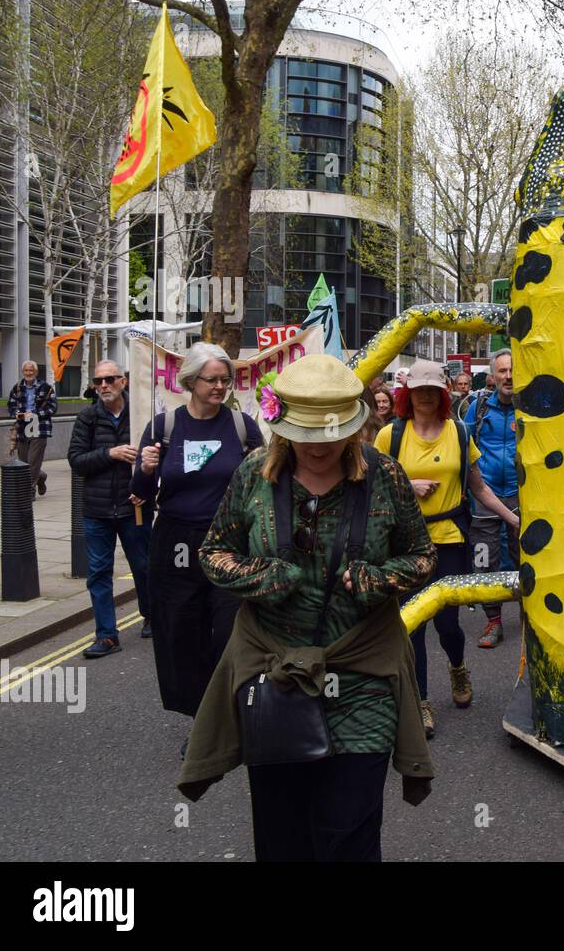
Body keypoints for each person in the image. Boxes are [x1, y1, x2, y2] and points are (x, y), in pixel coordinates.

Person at [184, 354, 437, 862]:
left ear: (355, 425)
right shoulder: (255, 474)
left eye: (331, 433)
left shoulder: (385, 475)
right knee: (282, 833)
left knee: (350, 828)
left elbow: (423, 555)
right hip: (276, 674)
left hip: (364, 678)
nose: (319, 446)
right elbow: (213, 552)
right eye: (306, 433)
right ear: (281, 425)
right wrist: (264, 577)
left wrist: (378, 578)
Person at [375, 360, 520, 737]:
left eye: (432, 390)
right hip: (403, 542)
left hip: (451, 540)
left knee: (448, 625)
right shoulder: (389, 436)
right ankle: (420, 701)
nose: (425, 396)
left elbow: (480, 488)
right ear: (407, 394)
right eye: (418, 390)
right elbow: (369, 487)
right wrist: (406, 483)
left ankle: (458, 667)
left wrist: (516, 520)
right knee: (413, 626)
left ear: (443, 394)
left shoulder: (458, 433)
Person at [131, 343, 263, 732]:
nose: (220, 386)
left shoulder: (243, 427)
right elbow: (140, 489)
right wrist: (144, 467)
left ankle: (233, 712)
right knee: (182, 634)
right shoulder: (162, 427)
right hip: (175, 543)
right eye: (212, 380)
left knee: (228, 632)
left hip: (230, 543)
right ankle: (203, 723)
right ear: (191, 381)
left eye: (226, 379)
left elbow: (266, 483)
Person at [68, 360, 152, 657]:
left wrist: (147, 491)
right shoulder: (88, 418)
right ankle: (107, 635)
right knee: (99, 573)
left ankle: (151, 616)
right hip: (97, 511)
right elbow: (76, 460)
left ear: (123, 382)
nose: (104, 385)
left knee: (143, 567)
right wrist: (110, 453)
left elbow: (160, 457)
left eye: (110, 379)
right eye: (98, 381)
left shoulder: (142, 415)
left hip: (134, 508)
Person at [458, 350, 520, 648]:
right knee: (484, 560)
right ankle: (493, 621)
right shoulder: (478, 408)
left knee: (528, 557)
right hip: (484, 497)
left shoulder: (529, 408)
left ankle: (530, 616)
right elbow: (464, 448)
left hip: (523, 497)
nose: (508, 376)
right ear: (493, 377)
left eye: (512, 370)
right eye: (503, 371)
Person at [7, 360, 58, 499]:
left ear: (36, 372)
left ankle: (29, 491)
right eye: (26, 371)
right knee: (24, 462)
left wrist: (34, 414)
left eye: (31, 371)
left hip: (40, 428)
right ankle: (41, 476)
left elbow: (52, 408)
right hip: (22, 428)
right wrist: (16, 414)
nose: (29, 373)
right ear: (23, 372)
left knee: (33, 460)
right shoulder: (17, 387)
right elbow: (10, 406)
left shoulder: (46, 387)